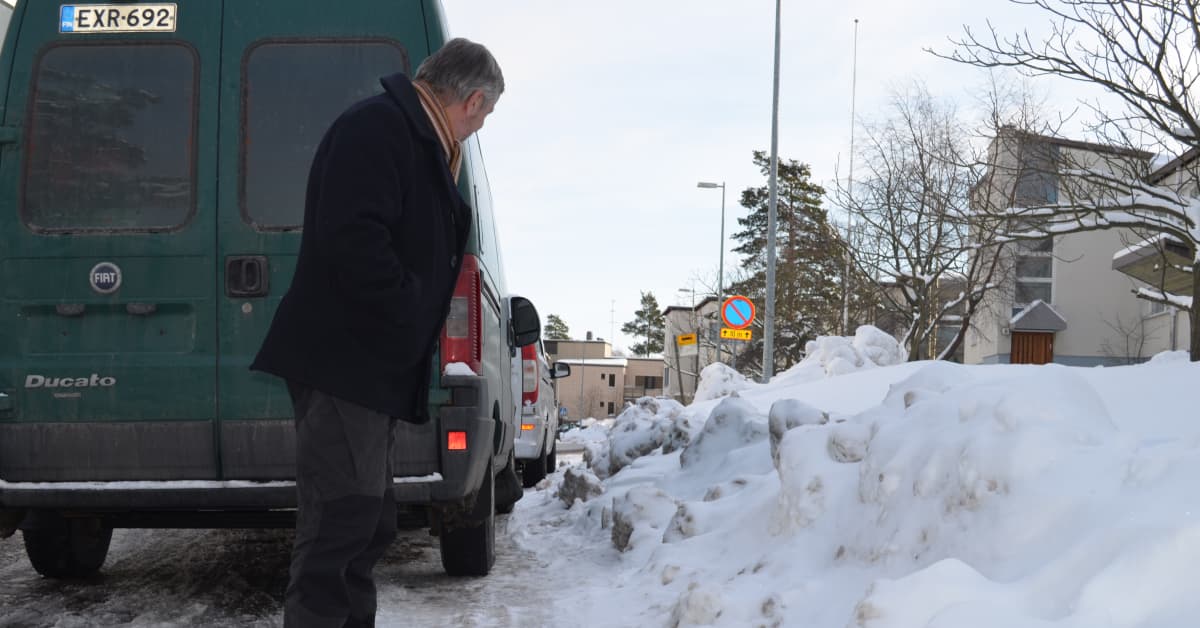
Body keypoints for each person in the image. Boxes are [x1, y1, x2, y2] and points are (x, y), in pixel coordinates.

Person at [250, 38, 503, 628]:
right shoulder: (381, 131)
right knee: (341, 523)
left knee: (368, 522)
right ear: (470, 100)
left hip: (368, 368)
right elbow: (355, 242)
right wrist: (412, 312)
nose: (480, 127)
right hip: (346, 362)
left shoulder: (414, 138)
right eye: (485, 115)